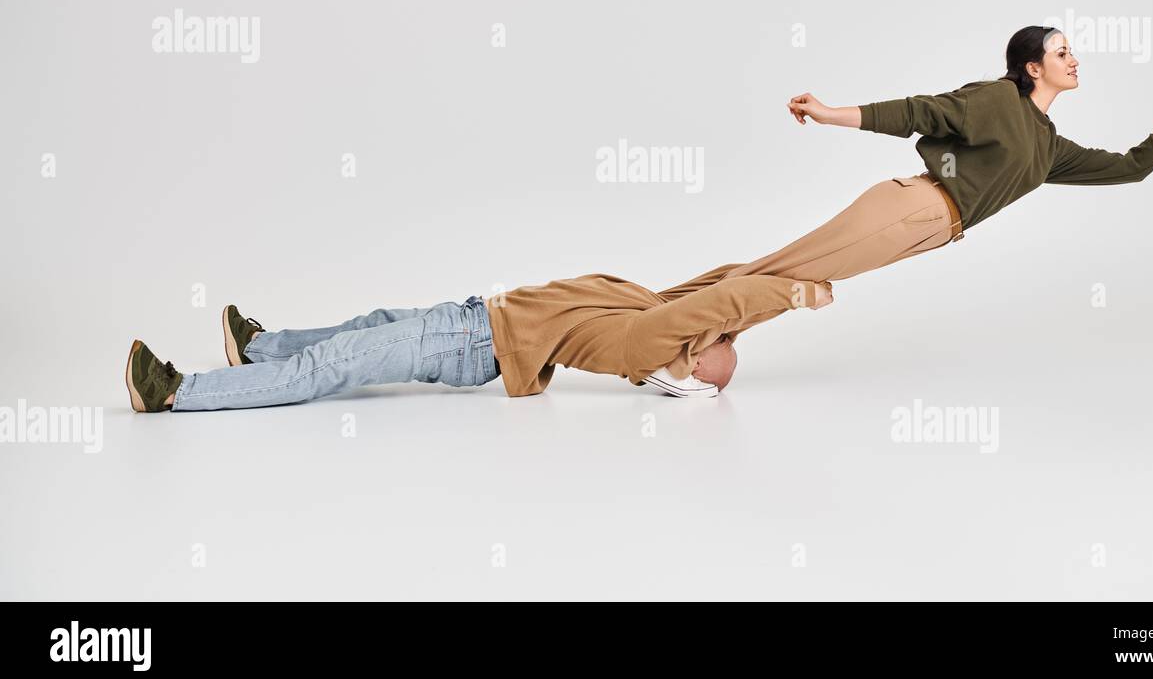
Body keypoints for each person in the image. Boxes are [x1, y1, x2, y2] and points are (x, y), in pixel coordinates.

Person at [668, 26, 1153, 293]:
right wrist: (829, 112)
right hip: (914, 206)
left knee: (793, 279)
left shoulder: (1048, 148)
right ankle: (664, 341)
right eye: (1062, 52)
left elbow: (1130, 167)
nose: (1075, 59)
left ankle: (670, 323)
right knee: (793, 277)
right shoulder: (996, 99)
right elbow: (919, 111)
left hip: (933, 227)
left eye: (1073, 51)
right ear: (1033, 67)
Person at [124, 273, 835, 413]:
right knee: (365, 326)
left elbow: (722, 302)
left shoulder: (644, 344)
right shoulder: (656, 307)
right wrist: (784, 279)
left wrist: (802, 295)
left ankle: (176, 392)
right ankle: (259, 348)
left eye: (720, 347)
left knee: (330, 369)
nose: (720, 332)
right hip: (471, 316)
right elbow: (724, 287)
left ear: (694, 364)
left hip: (467, 343)